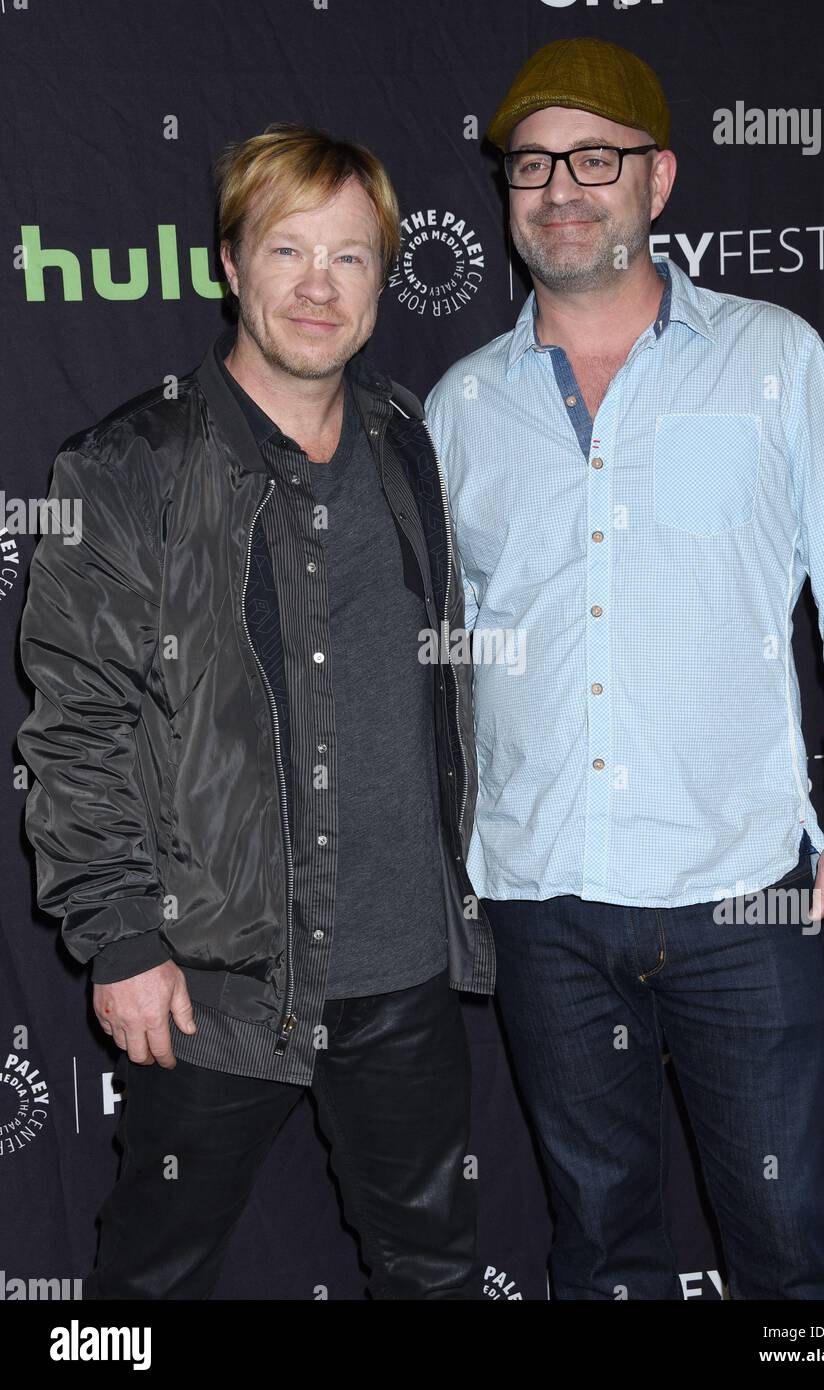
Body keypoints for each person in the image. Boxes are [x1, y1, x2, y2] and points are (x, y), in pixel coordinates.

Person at [423, 37, 824, 1300]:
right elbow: (440, 651)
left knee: (791, 1256)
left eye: (592, 157)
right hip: (544, 895)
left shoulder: (772, 358)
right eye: (531, 163)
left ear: (657, 179)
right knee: (600, 1250)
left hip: (740, 893)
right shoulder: (459, 407)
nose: (559, 188)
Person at [17, 122, 494, 1300]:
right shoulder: (127, 464)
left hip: (402, 968)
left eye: (350, 257)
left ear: (385, 278)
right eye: (287, 251)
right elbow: (76, 726)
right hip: (215, 975)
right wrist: (120, 937)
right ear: (229, 264)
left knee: (432, 1273)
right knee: (150, 1282)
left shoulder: (401, 438)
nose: (318, 288)